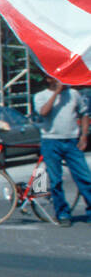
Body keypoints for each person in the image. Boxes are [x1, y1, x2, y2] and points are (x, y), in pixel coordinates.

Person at [33, 76, 91, 226]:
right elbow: (44, 112)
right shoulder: (40, 96)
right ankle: (63, 213)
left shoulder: (74, 94)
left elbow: (84, 113)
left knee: (85, 177)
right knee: (56, 180)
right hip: (50, 141)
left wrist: (83, 136)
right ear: (48, 80)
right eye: (56, 78)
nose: (61, 80)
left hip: (72, 140)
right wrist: (56, 93)